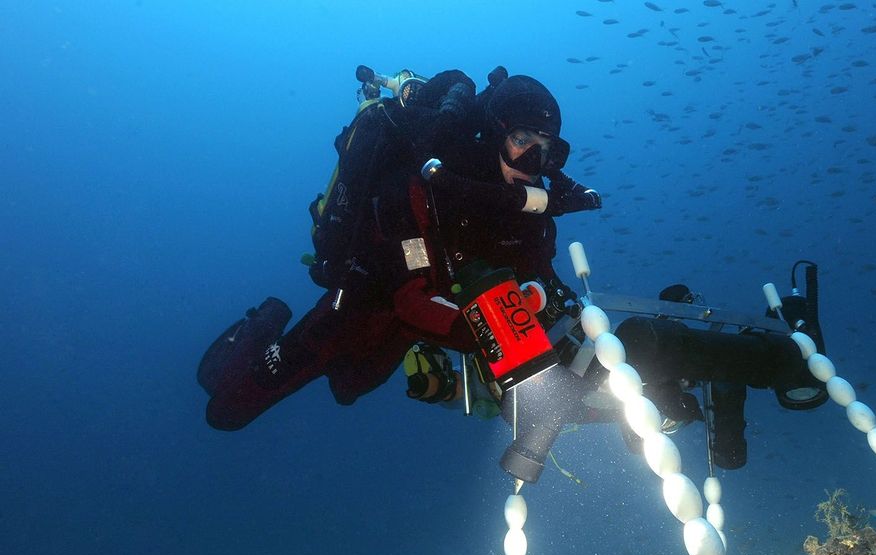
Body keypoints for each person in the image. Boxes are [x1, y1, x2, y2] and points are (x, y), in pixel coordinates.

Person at [197, 66, 601, 431]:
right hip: (361, 299)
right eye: (520, 140)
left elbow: (542, 284)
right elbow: (410, 299)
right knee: (228, 410)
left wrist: (556, 322)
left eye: (545, 150)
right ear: (495, 134)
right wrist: (493, 336)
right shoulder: (426, 188)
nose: (532, 160)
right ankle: (262, 326)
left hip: (424, 323)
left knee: (350, 386)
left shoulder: (531, 215)